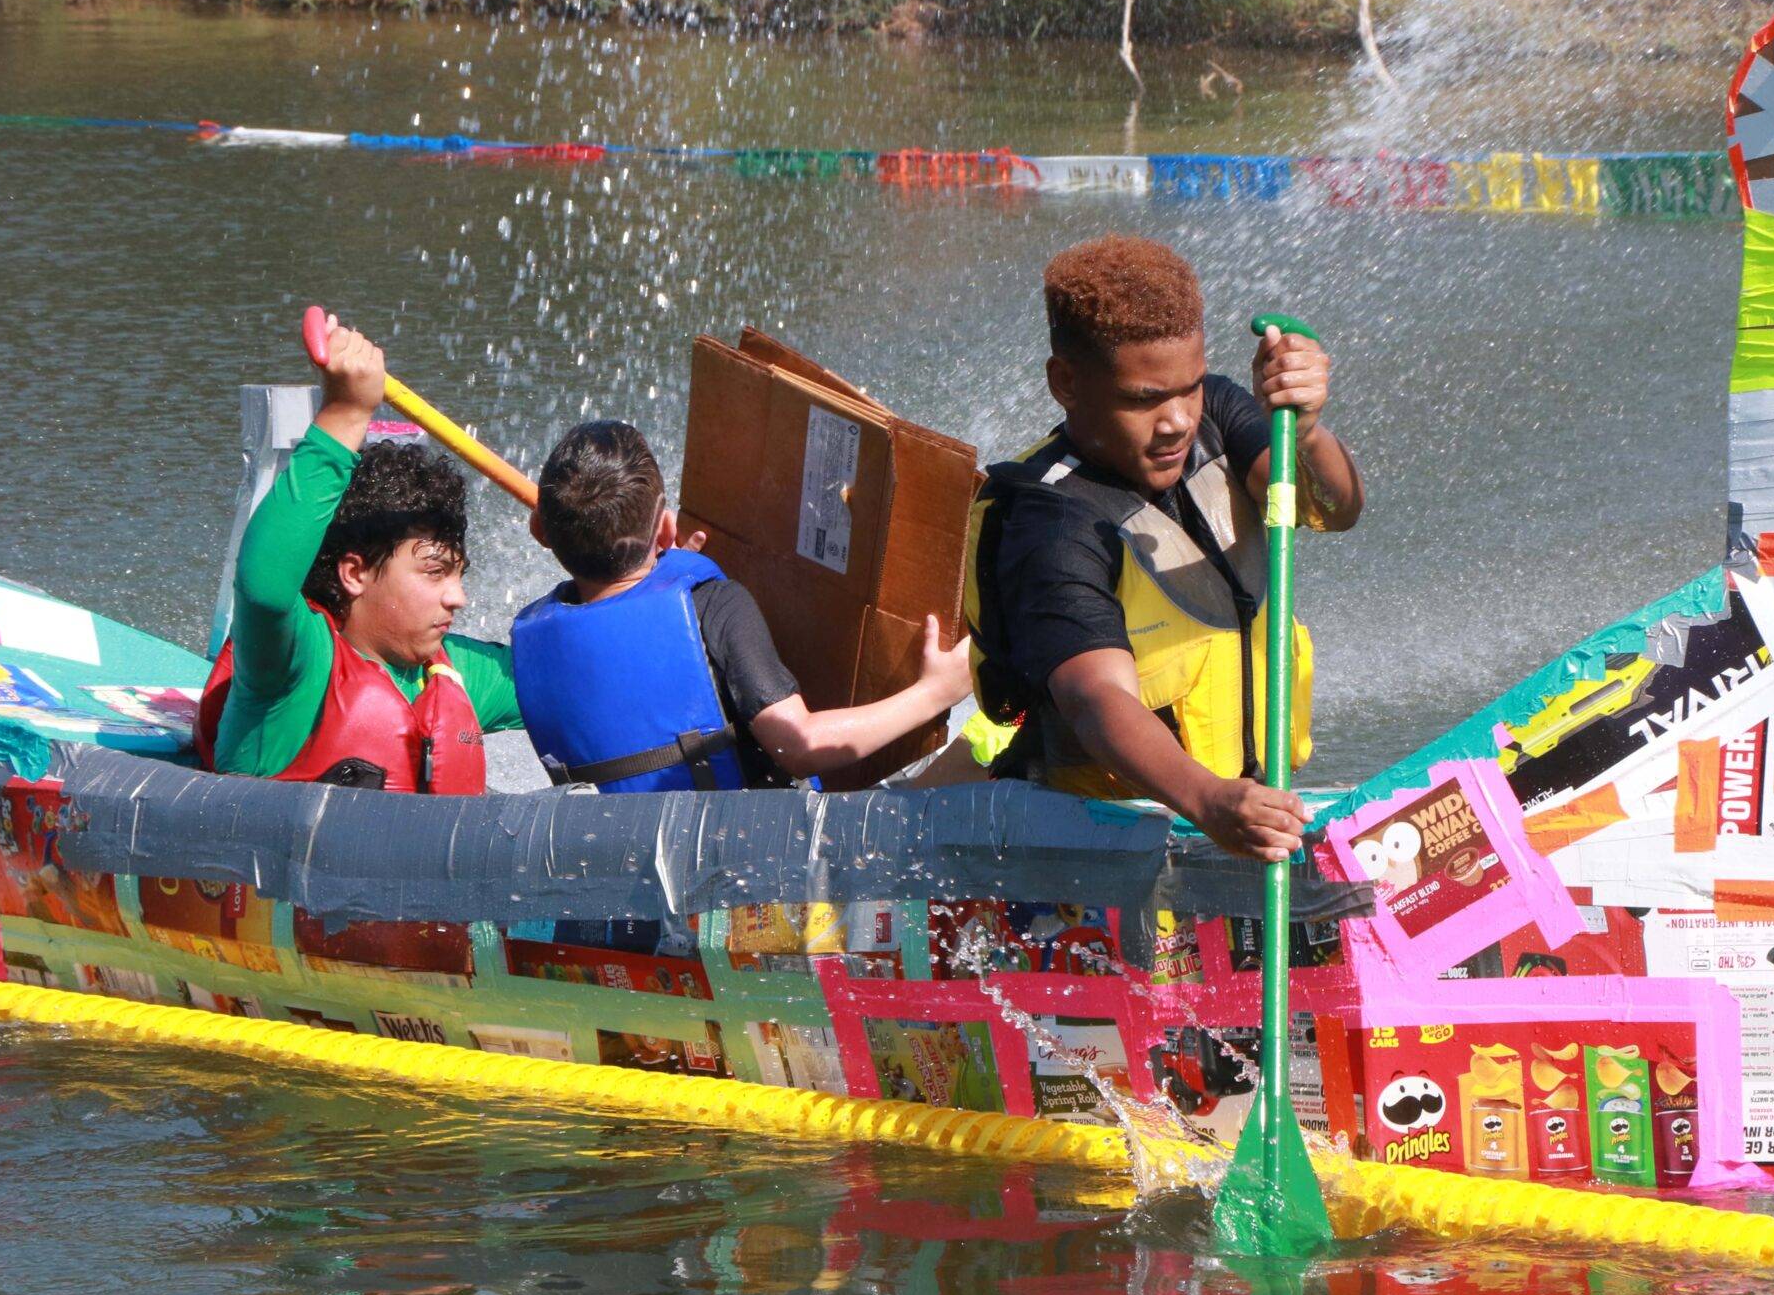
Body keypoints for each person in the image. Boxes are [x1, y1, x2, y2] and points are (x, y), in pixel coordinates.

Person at [963, 235, 1363, 861]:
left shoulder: (1221, 414)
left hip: (1236, 817)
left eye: (1189, 387)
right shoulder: (1048, 520)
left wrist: (1306, 432)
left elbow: (1335, 510)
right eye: (1144, 399)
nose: (1176, 420)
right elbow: (1096, 698)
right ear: (1065, 382)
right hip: (1103, 844)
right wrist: (1206, 800)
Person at [511, 419, 972, 791]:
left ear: (540, 531)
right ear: (666, 529)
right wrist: (935, 692)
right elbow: (801, 745)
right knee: (978, 760)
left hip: (625, 886)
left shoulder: (530, 643)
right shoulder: (713, 607)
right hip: (744, 880)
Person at [194, 316, 521, 792]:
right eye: (435, 573)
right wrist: (345, 413)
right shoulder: (291, 664)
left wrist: (637, 565)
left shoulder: (455, 673)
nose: (459, 598)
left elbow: (582, 680)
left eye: (458, 575)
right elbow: (264, 586)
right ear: (355, 572)